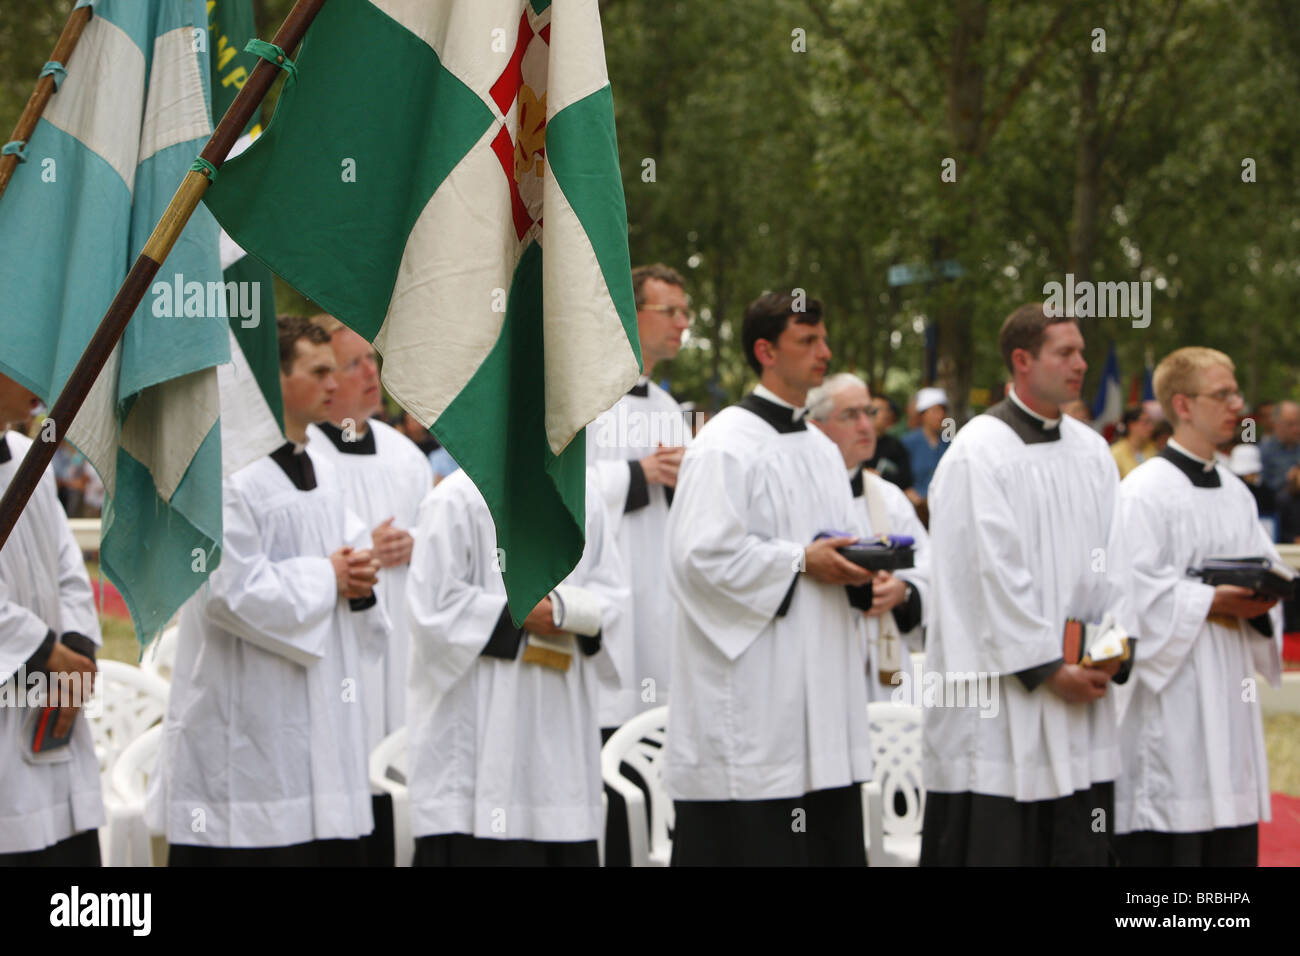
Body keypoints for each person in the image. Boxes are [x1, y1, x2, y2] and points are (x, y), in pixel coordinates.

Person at [148, 317, 387, 866]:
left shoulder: (324, 470)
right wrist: (330, 576)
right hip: (243, 724)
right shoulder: (226, 475)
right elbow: (228, 592)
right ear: (271, 376)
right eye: (319, 371)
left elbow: (354, 556)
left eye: (336, 370)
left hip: (320, 714)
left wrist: (358, 577)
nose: (335, 384)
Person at [919, 303, 1134, 867]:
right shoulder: (978, 451)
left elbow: (1117, 561)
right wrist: (1047, 668)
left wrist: (1109, 650)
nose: (1081, 364)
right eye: (1065, 352)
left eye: (1082, 352)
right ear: (1021, 360)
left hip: (1079, 694)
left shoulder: (1091, 451)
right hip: (1003, 706)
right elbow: (986, 575)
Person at [665, 291, 873, 866]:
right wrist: (801, 560)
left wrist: (864, 567)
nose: (824, 353)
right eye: (807, 341)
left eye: (824, 339)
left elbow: (836, 542)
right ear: (765, 351)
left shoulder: (822, 449)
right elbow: (697, 560)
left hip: (823, 695)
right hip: (757, 703)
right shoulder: (726, 444)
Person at [404, 466, 629, 866]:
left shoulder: (582, 496)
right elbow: (431, 612)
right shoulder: (456, 498)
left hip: (562, 745)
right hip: (477, 749)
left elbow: (613, 594)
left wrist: (564, 610)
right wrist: (515, 615)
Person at [1114, 348, 1283, 866]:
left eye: (1236, 392)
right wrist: (1211, 598)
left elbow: (1266, 568)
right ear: (1182, 405)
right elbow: (1128, 596)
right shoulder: (1143, 491)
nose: (1238, 404)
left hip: (1229, 690)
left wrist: (1266, 598)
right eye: (1223, 394)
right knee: (1173, 845)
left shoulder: (1236, 492)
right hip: (1173, 697)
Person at [307, 315, 432, 866]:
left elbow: (437, 534)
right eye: (352, 363)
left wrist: (416, 543)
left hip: (402, 634)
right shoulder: (303, 452)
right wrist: (360, 550)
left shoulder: (405, 454)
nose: (369, 374)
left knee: (396, 764)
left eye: (371, 360)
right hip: (339, 640)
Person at [584, 263, 691, 864]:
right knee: (608, 734)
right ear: (632, 312)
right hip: (608, 590)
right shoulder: (589, 392)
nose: (682, 323)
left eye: (684, 311)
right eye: (670, 310)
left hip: (659, 596)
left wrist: (683, 480)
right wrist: (636, 474)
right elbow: (558, 486)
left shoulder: (669, 406)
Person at [0, 374, 104, 865]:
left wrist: (77, 653)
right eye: (16, 361)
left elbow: (67, 565)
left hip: (52, 705)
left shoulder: (30, 455)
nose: (35, 374)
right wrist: (48, 653)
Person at [807, 373, 930, 702]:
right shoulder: (801, 496)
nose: (866, 426)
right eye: (850, 415)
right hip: (817, 663)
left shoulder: (889, 499)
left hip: (884, 672)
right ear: (816, 426)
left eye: (869, 413)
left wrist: (903, 591)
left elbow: (931, 569)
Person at [900, 386, 951, 512]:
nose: (940, 416)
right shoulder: (907, 443)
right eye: (934, 411)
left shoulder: (949, 445)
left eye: (942, 411)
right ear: (923, 415)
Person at [864, 394, 914, 492]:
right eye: (878, 410)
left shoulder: (896, 445)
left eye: (887, 410)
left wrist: (881, 477)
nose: (885, 414)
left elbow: (906, 479)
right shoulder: (858, 443)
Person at [1259, 400, 1300, 499]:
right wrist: (1289, 478)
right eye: (1290, 424)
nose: (1297, 428)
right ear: (1276, 424)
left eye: (1299, 422)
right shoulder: (1264, 451)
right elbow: (1262, 486)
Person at [1110, 406, 1157, 478]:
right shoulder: (1115, 454)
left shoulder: (1153, 449)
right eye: (1146, 422)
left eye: (1151, 422)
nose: (1151, 427)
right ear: (1131, 425)